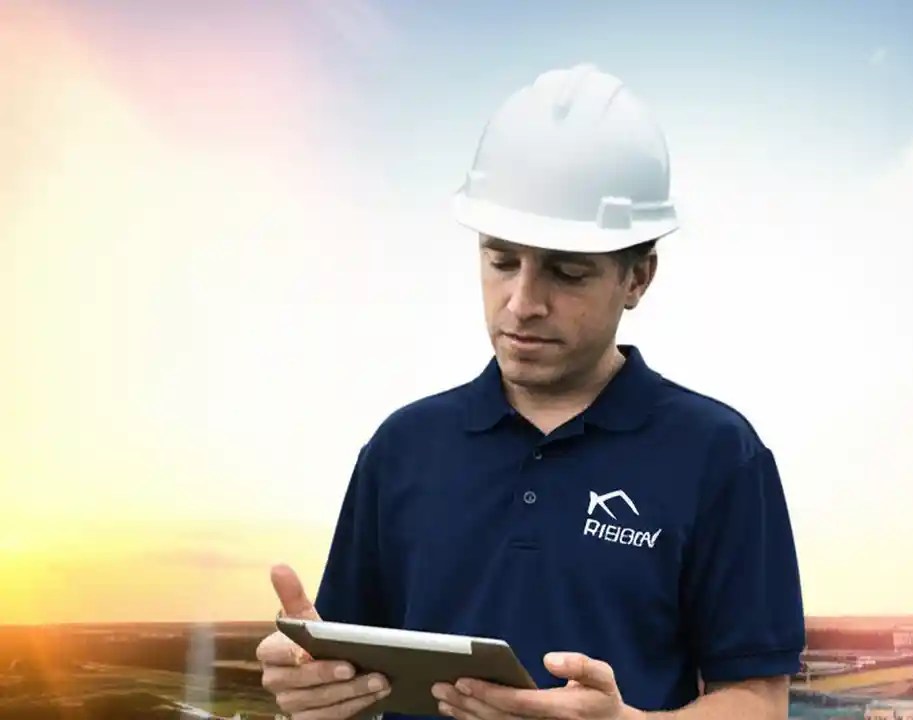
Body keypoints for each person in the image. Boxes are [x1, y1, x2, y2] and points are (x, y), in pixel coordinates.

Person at [256, 63, 805, 720]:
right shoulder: (402, 447)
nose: (521, 303)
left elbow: (759, 701)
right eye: (501, 261)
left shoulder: (718, 455)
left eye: (567, 272)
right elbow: (349, 675)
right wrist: (311, 690)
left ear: (638, 278)